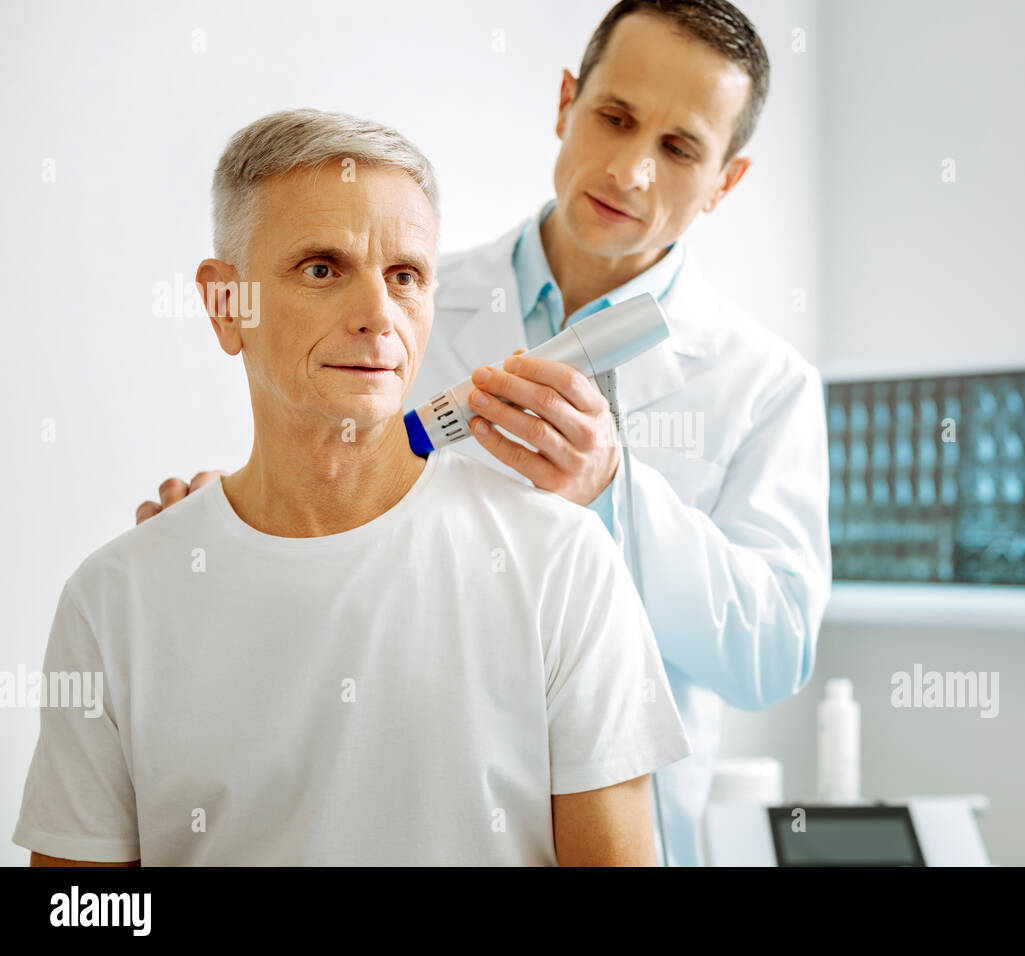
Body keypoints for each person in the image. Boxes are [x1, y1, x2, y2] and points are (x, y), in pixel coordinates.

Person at [139, 0, 831, 866]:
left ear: (726, 181)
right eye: (614, 118)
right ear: (565, 104)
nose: (630, 170)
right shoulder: (398, 306)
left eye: (679, 147)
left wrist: (616, 495)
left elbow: (771, 656)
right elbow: (316, 507)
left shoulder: (764, 384)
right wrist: (232, 528)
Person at [14, 109, 691, 866]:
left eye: (405, 276)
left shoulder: (562, 567)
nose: (377, 317)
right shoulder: (116, 599)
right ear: (225, 303)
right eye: (322, 269)